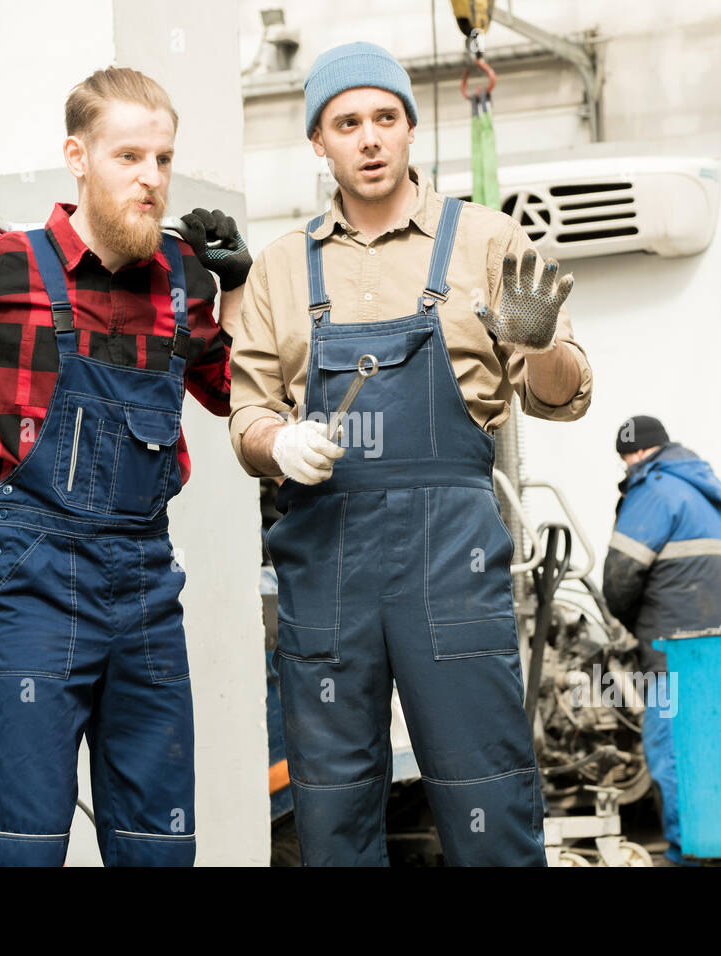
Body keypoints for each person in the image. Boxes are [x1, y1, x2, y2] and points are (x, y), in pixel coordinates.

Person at [0, 67, 251, 866]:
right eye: (129, 157)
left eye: (164, 159)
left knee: (158, 840)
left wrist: (238, 291)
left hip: (148, 581)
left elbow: (232, 395)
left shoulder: (181, 278)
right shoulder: (8, 268)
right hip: (39, 576)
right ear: (77, 156)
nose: (151, 178)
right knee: (26, 839)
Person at [229, 41, 593, 865]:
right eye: (347, 122)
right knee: (331, 804)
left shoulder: (489, 241)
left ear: (410, 131)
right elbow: (247, 413)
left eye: (385, 118)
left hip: (450, 556)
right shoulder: (284, 269)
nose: (369, 137)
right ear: (318, 142)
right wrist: (275, 442)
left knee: (485, 789)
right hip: (325, 560)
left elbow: (565, 395)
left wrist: (538, 347)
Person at [602, 414, 721, 865]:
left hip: (670, 649)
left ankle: (689, 854)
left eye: (629, 456)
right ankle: (718, 845)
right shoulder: (714, 495)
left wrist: (628, 623)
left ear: (642, 454)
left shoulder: (653, 489)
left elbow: (620, 578)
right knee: (711, 747)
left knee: (670, 751)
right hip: (719, 647)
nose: (627, 465)